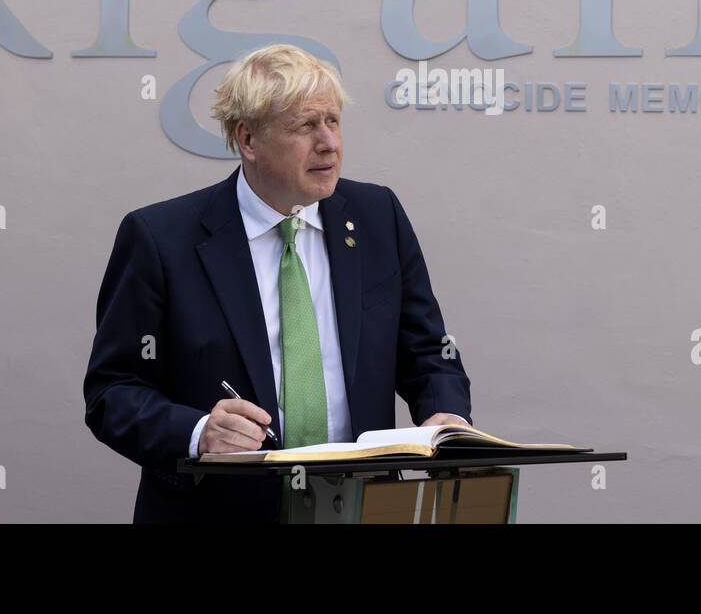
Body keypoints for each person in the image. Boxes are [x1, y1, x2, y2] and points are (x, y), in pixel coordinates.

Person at [83, 43, 472, 522]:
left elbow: (429, 353)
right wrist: (198, 431)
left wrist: (446, 419)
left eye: (333, 121)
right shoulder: (161, 239)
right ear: (248, 139)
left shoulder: (377, 218)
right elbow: (113, 391)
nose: (329, 143)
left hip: (359, 509)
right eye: (306, 126)